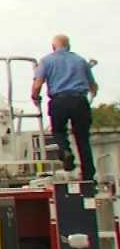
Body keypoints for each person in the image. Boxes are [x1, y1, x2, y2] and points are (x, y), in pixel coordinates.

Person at [32, 34, 99, 181]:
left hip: (59, 101)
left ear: (53, 46)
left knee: (58, 131)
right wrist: (92, 94)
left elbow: (37, 84)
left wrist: (35, 97)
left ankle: (65, 151)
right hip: (79, 101)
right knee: (83, 138)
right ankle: (88, 174)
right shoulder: (80, 61)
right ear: (68, 46)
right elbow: (93, 85)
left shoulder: (46, 61)